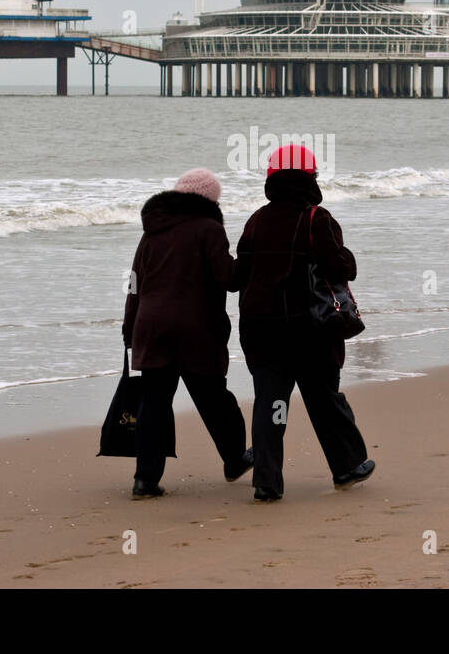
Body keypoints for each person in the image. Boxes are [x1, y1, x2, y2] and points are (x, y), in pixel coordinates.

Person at [235, 145, 374, 501]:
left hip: (260, 330)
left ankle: (266, 483)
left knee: (271, 405)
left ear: (272, 180)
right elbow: (340, 269)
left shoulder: (256, 220)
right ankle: (346, 467)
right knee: (324, 399)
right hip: (309, 331)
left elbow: (238, 276)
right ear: (309, 178)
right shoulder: (317, 218)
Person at [122, 168, 253, 498]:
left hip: (151, 326)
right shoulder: (209, 229)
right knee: (214, 399)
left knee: (154, 403)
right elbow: (229, 279)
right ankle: (235, 459)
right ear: (210, 200)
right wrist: (250, 259)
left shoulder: (152, 230)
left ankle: (145, 480)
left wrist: (129, 326)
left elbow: (134, 282)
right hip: (197, 328)